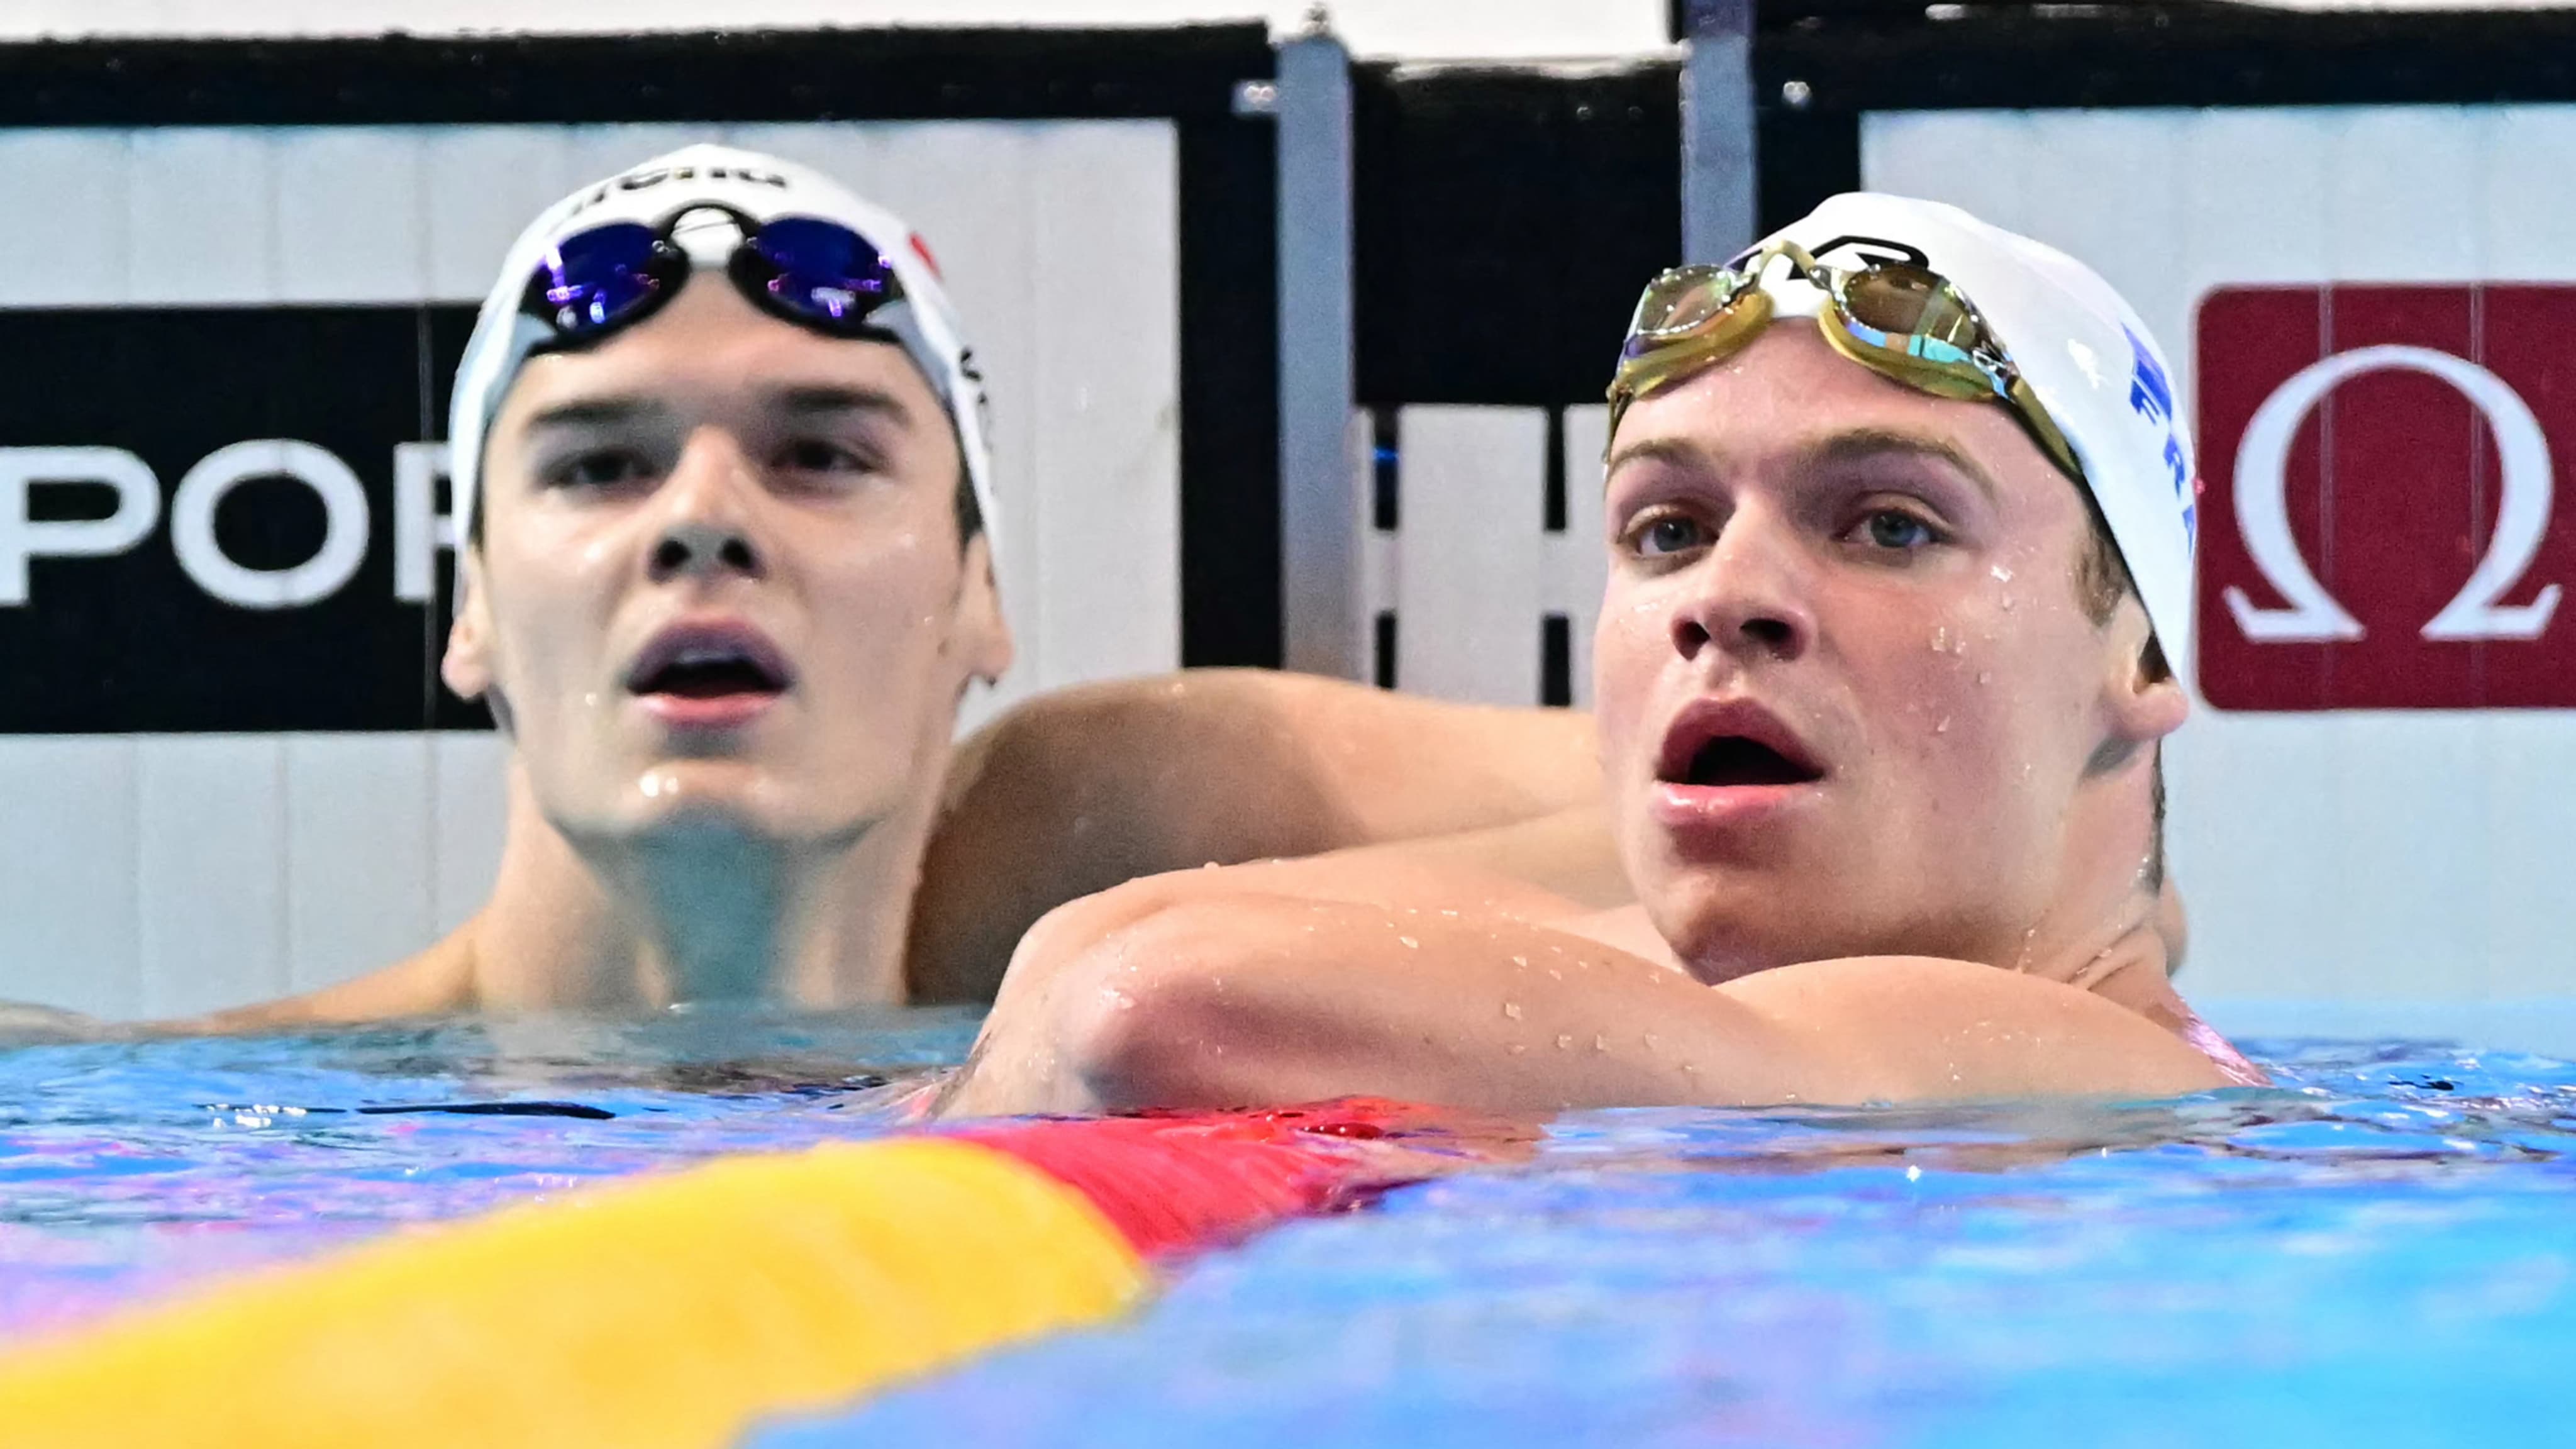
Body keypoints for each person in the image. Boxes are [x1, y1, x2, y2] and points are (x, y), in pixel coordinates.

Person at [129, 145, 1605, 1031]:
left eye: (820, 453)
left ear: (979, 591)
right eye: (598, 466)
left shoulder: (1111, 840)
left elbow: (1766, 837)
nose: (703, 518)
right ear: (469, 607)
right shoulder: (184, 1124)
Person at [944, 194, 2264, 1116]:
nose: (1723, 595)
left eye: (1887, 524)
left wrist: (1066, 971)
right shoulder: (1717, 1009)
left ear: (2136, 657)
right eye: (1667, 527)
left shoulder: (2075, 1063)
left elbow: (1158, 999)